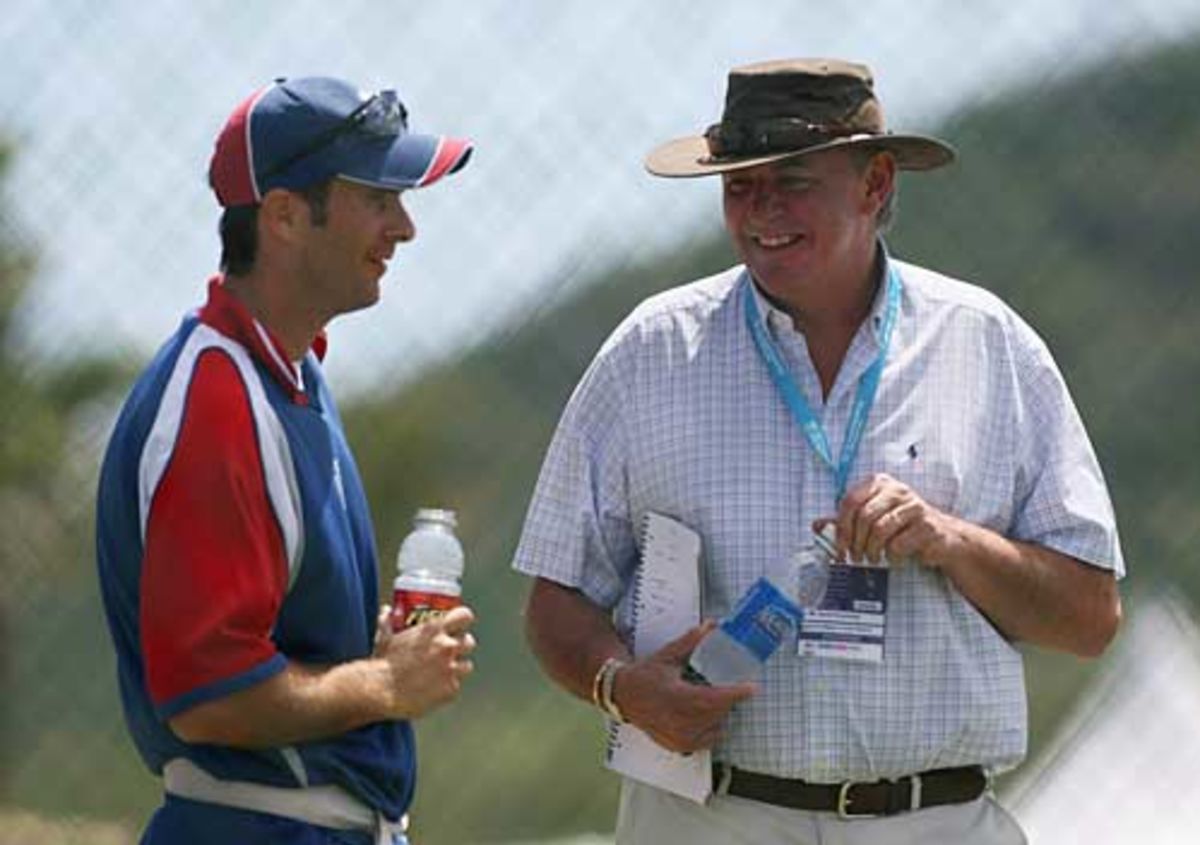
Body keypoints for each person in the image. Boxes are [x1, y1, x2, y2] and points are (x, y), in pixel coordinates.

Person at [513, 58, 1123, 844]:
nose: (762, 210)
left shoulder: (988, 344)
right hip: (708, 817)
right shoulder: (651, 353)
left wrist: (949, 540)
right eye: (739, 184)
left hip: (932, 820)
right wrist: (623, 688)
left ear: (874, 184)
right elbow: (555, 599)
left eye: (792, 180)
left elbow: (1090, 617)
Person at [95, 76, 476, 845]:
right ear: (285, 215)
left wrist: (362, 647)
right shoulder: (216, 400)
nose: (404, 226)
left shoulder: (289, 377)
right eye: (377, 196)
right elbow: (206, 694)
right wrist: (385, 682)